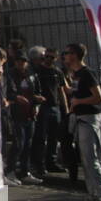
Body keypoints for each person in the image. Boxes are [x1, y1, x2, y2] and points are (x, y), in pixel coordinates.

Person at [62, 43, 101, 201]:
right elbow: (76, 92)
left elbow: (98, 97)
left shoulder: (86, 73)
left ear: (75, 55)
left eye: (68, 53)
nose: (65, 56)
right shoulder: (75, 74)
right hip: (79, 119)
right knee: (85, 160)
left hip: (88, 120)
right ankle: (93, 195)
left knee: (92, 160)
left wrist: (79, 102)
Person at [3, 53, 45, 186]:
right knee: (18, 143)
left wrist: (37, 103)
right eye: (19, 61)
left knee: (27, 144)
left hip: (29, 114)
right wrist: (16, 98)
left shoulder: (31, 75)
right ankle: (10, 170)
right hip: (16, 114)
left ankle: (25, 172)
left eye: (24, 61)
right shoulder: (10, 75)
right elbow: (8, 92)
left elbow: (37, 91)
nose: (21, 63)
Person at [30, 47, 66, 175]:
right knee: (40, 136)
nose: (49, 59)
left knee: (54, 137)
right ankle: (39, 164)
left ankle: (52, 162)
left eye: (52, 57)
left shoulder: (57, 72)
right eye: (47, 57)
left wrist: (65, 108)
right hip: (43, 106)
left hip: (54, 106)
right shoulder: (37, 71)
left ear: (55, 59)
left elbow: (62, 90)